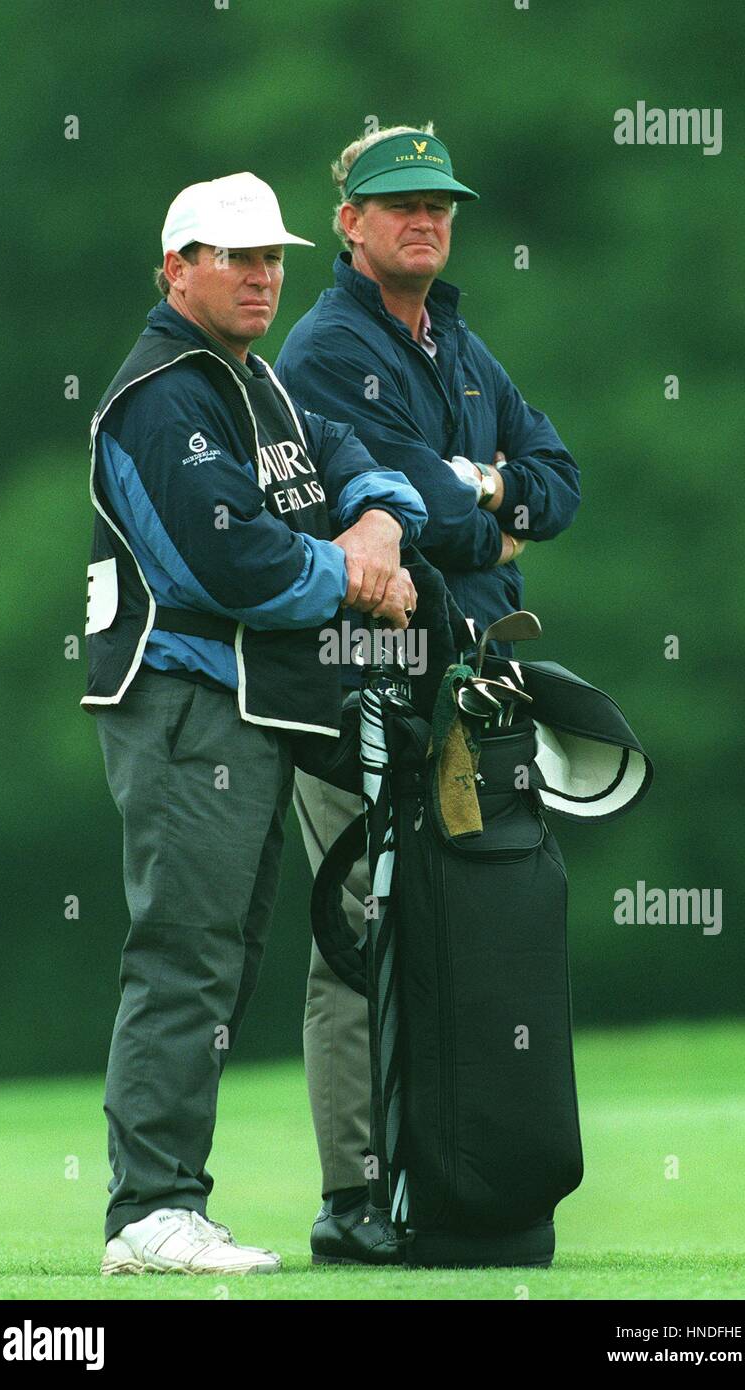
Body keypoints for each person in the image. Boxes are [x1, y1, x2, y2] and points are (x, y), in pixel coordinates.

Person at [83, 172, 427, 1276]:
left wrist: (375, 522)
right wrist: (353, 571)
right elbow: (232, 564)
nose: (260, 276)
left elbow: (362, 465)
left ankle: (168, 1201)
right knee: (184, 955)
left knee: (222, 961)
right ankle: (150, 1208)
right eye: (233, 258)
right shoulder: (160, 393)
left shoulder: (257, 383)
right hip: (179, 699)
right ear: (175, 266)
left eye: (270, 258)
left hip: (245, 706)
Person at [275, 124, 581, 1264]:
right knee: (360, 927)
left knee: (467, 921)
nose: (425, 219)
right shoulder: (320, 349)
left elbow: (555, 478)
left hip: (466, 681)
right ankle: (357, 1192)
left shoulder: (453, 336)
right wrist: (474, 500)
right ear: (348, 222)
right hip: (359, 680)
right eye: (400, 204)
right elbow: (430, 519)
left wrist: (485, 483)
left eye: (440, 204)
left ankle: (456, 1176)